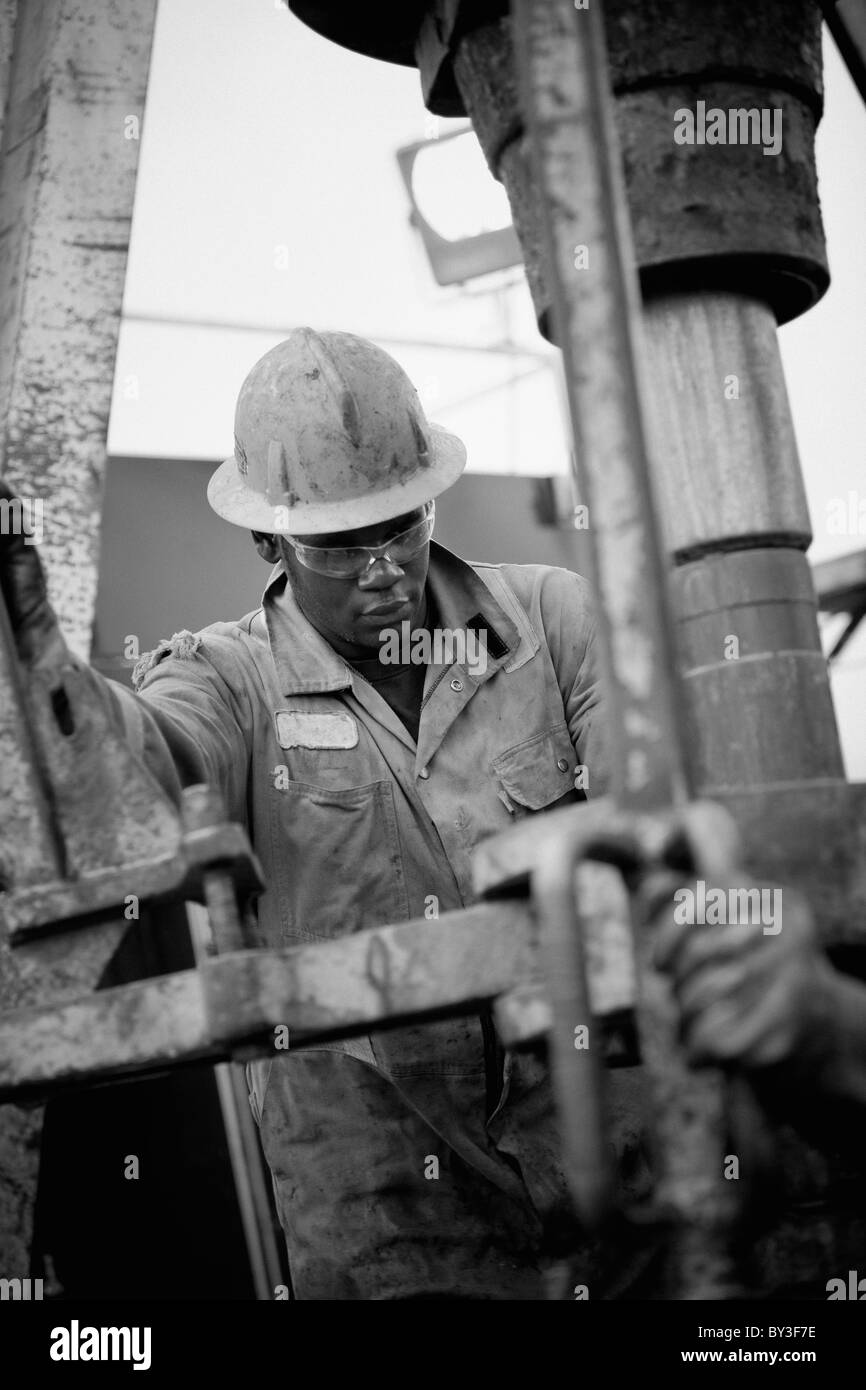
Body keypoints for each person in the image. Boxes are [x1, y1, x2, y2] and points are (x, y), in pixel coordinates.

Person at [1, 327, 623, 1300]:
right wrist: (45, 681)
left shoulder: (552, 622)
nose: (384, 570)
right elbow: (150, 772)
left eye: (402, 525)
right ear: (269, 541)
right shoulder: (225, 679)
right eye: (341, 543)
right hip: (392, 1231)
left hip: (613, 1189)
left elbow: (666, 819)